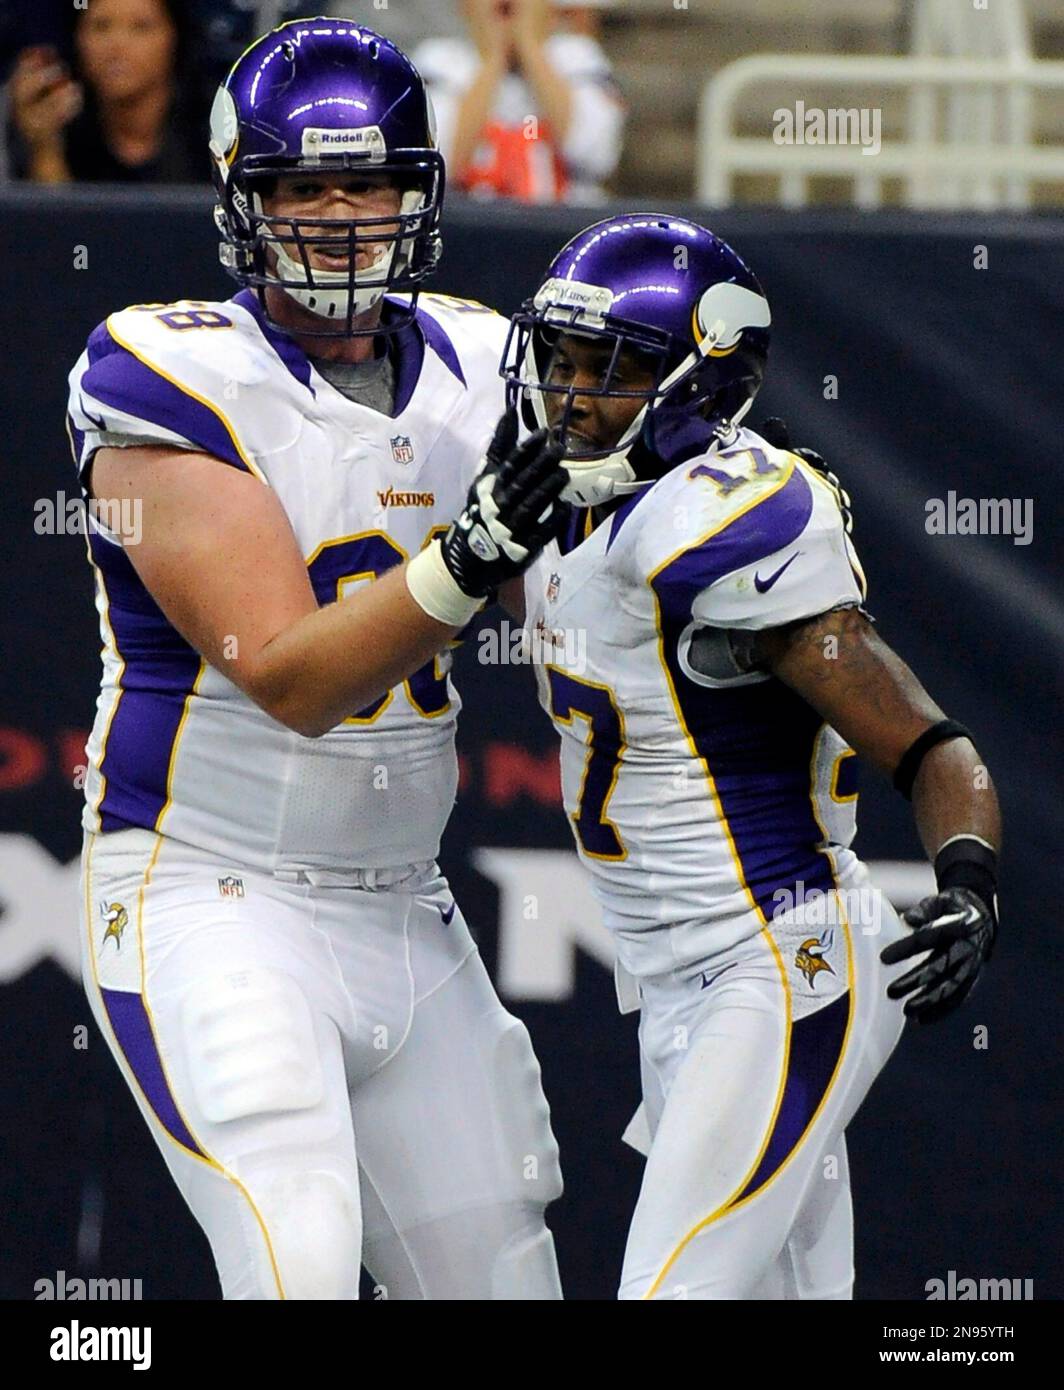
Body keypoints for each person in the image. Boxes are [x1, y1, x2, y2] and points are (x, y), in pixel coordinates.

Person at [66, 20, 568, 1300]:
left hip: (402, 902)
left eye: (370, 181)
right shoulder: (174, 370)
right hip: (212, 892)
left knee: (501, 1281)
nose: (342, 216)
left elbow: (590, 577)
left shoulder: (484, 360)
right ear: (245, 196)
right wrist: (469, 554)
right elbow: (288, 675)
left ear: (420, 191)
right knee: (291, 1263)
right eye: (303, 185)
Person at [500, 213, 1001, 1299]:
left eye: (613, 369)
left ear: (697, 380)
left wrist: (968, 884)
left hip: (779, 961)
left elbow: (924, 745)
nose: (574, 394)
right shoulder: (563, 506)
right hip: (682, 984)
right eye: (562, 359)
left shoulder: (724, 527)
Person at [415, 0, 624, 204]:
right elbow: (436, 162)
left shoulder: (579, 57)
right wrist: (494, 58)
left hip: (565, 227)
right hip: (467, 229)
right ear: (465, 5)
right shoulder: (438, 60)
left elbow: (595, 154)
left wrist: (529, 45)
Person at [7, 0, 204, 184]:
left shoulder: (215, 130)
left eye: (141, 27)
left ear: (176, 37)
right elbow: (54, 218)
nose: (117, 46)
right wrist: (45, 147)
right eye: (101, 26)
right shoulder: (61, 129)